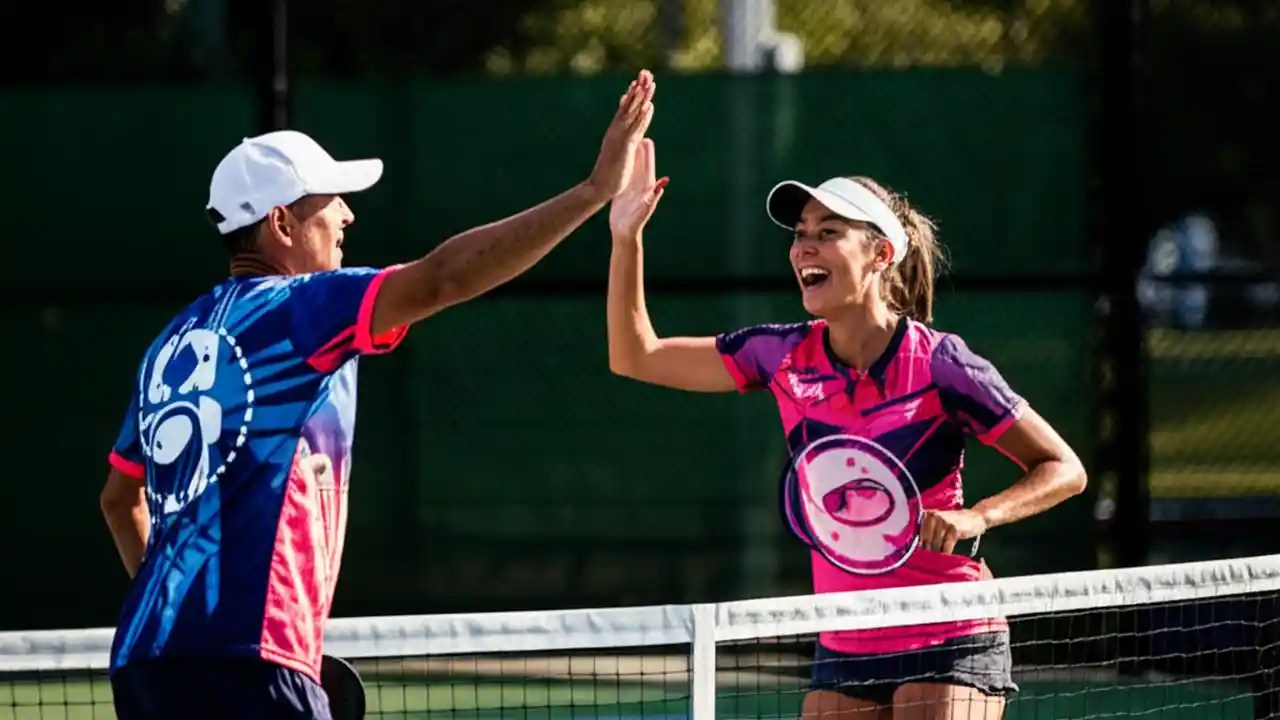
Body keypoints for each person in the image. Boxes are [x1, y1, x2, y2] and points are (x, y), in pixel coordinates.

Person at [97, 70, 658, 720]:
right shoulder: (304, 308)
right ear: (281, 221)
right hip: (252, 661)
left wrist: (183, 612)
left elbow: (118, 501)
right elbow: (443, 279)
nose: (347, 214)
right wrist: (593, 192)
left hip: (146, 660)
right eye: (330, 200)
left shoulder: (168, 346)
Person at [604, 139, 1087, 720]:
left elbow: (1065, 468)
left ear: (881, 254)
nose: (804, 245)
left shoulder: (941, 364)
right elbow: (636, 355)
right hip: (846, 641)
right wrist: (626, 237)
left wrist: (977, 516)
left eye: (828, 232)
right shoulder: (779, 355)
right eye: (800, 233)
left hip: (948, 634)